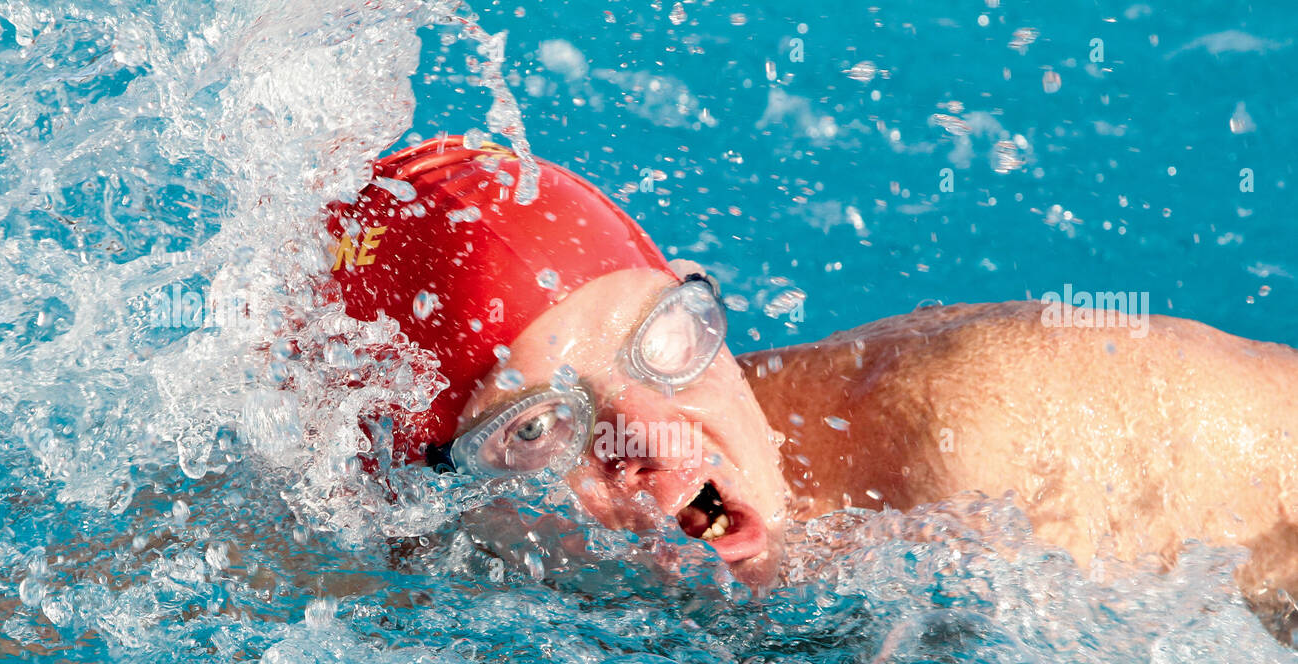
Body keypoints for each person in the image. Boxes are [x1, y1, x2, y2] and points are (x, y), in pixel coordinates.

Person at [323, 135, 1298, 630]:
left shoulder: (992, 432)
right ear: (419, 503)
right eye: (534, 432)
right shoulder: (378, 596)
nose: (661, 447)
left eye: (667, 344)